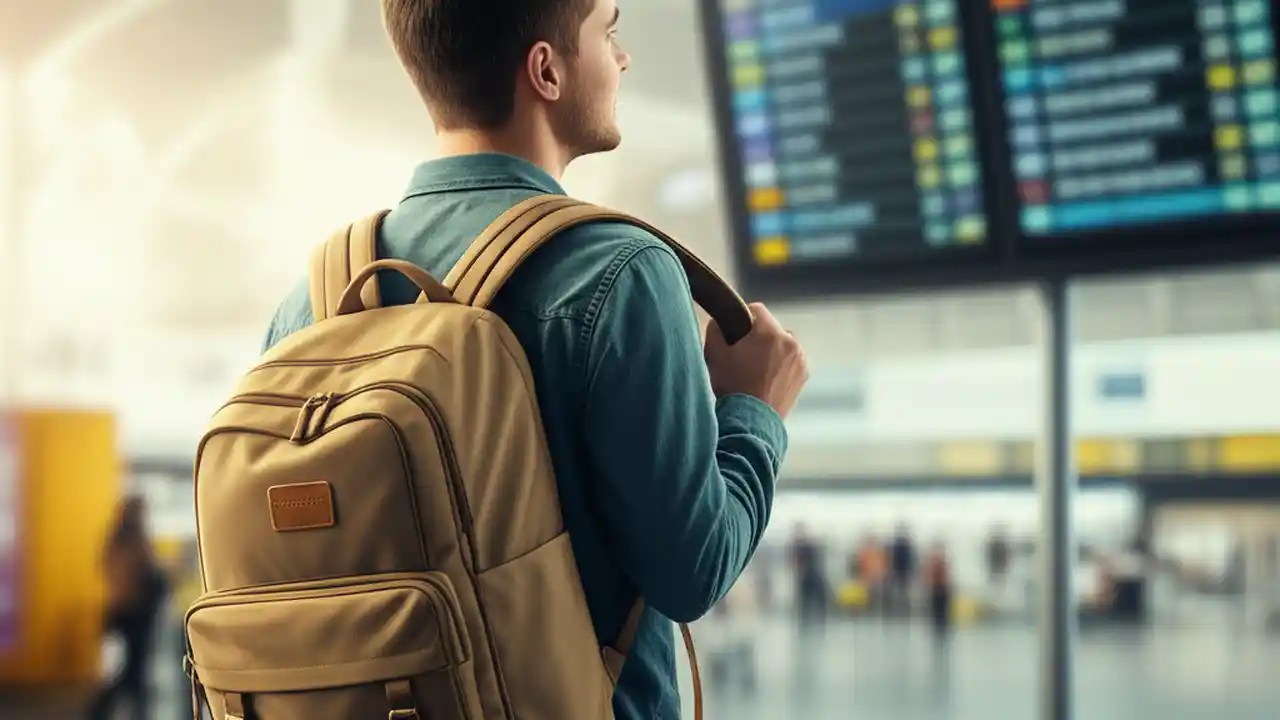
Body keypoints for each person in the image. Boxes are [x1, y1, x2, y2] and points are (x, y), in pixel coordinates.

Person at [260, 1, 810, 717]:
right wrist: (755, 411)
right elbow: (690, 572)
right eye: (608, 31)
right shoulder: (619, 271)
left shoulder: (310, 300)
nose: (622, 58)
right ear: (546, 71)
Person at [87, 496, 169, 720]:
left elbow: (106, 569)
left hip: (117, 614)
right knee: (128, 673)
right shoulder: (136, 543)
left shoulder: (115, 541)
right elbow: (149, 574)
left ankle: (104, 713)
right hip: (133, 616)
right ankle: (101, 713)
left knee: (122, 672)